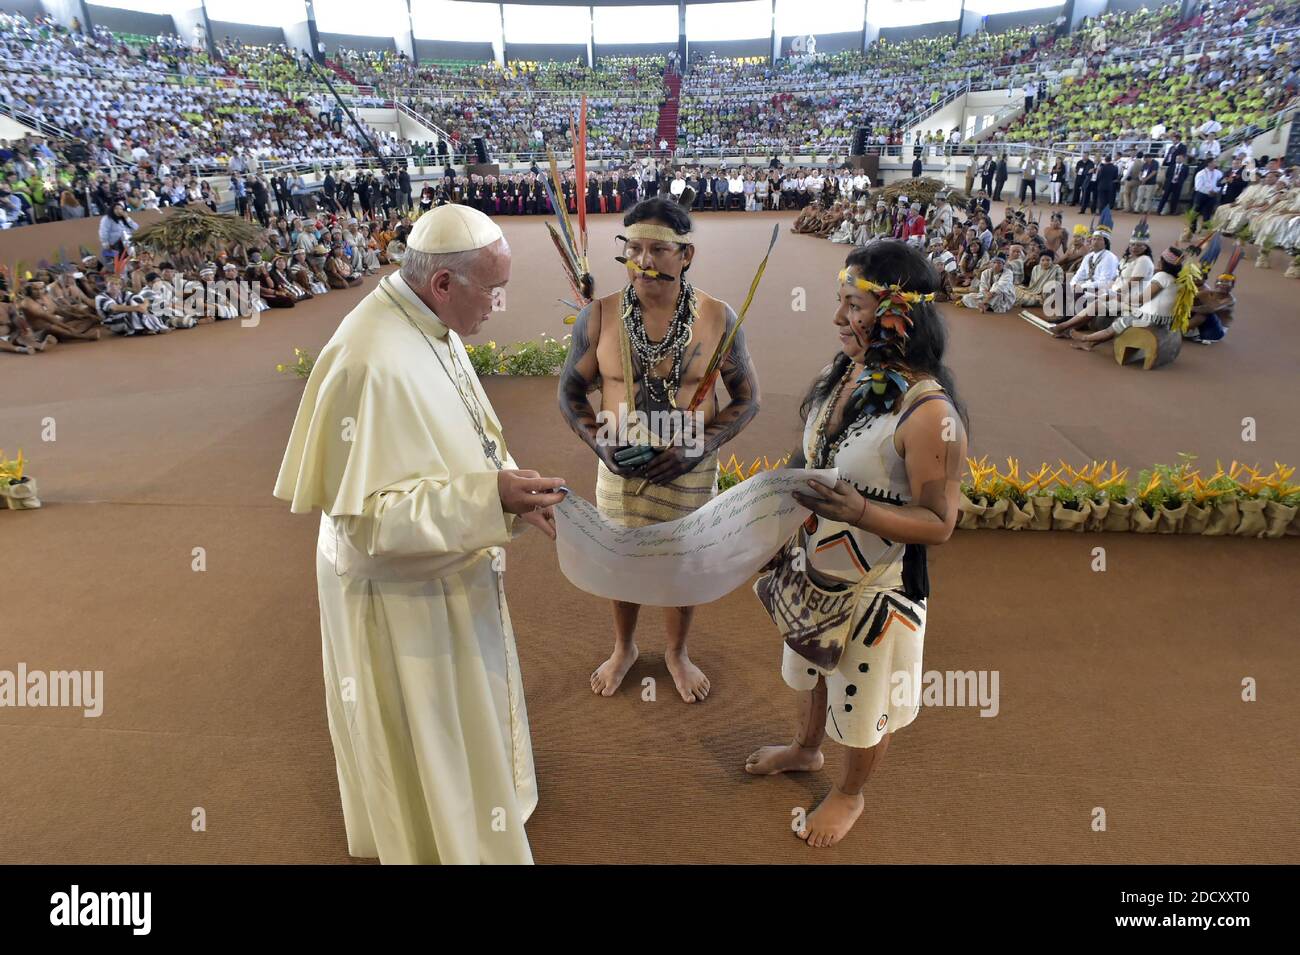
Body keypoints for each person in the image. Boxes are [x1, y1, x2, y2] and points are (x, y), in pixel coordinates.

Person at [273, 205, 566, 865]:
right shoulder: (369, 359)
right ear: (443, 285)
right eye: (492, 291)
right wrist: (489, 497)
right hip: (402, 597)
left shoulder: (426, 321)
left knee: (464, 718)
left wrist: (508, 490)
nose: (498, 304)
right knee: (433, 731)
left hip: (446, 564)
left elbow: (458, 427)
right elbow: (369, 519)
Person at [746, 240, 967, 849]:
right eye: (839, 302)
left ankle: (851, 792)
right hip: (816, 568)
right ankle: (806, 750)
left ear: (900, 314)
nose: (838, 318)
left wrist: (862, 510)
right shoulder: (841, 373)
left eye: (853, 305)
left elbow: (940, 523)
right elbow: (809, 456)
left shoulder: (930, 415)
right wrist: (767, 514)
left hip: (879, 589)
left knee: (864, 702)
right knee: (814, 668)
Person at [557, 197, 761, 704]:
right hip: (619, 463)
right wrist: (601, 445)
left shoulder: (717, 317)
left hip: (689, 465)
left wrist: (699, 449)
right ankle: (624, 646)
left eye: (658, 250)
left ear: (685, 255)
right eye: (634, 250)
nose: (644, 262)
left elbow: (747, 397)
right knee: (621, 558)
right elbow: (569, 393)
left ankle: (676, 651)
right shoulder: (599, 315)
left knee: (682, 561)